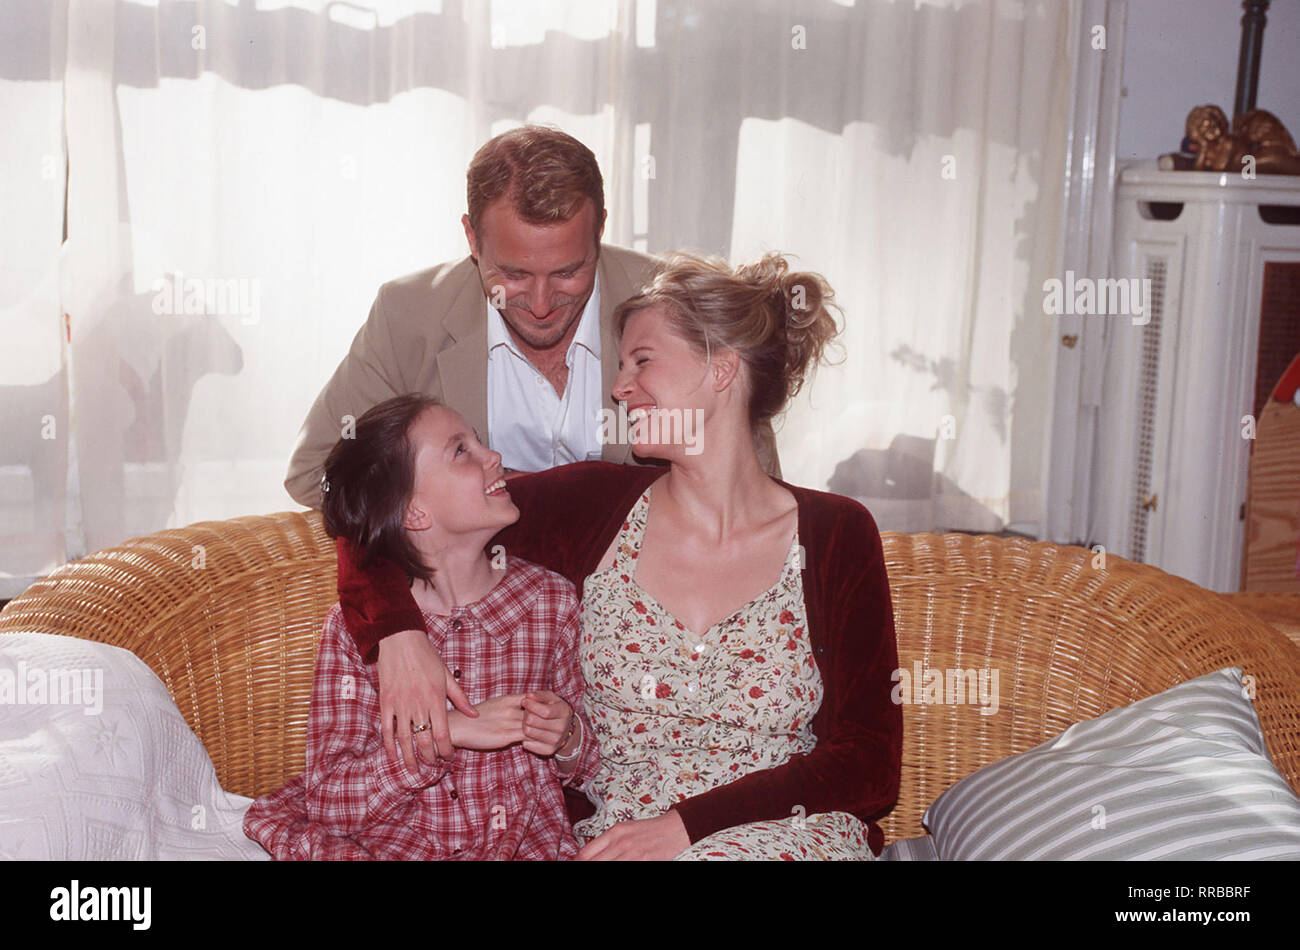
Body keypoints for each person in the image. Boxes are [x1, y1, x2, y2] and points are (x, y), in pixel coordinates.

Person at [335, 252, 902, 859]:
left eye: (643, 361)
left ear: (721, 367)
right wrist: (397, 637)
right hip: (613, 841)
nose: (618, 386)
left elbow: (868, 764)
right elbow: (374, 523)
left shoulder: (838, 533)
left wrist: (685, 828)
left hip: (790, 838)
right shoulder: (588, 506)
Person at [284, 125, 781, 510]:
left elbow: (756, 486)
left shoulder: (673, 303)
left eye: (568, 271)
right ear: (472, 240)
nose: (541, 305)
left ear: (600, 231)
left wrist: (574, 504)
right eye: (513, 274)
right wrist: (472, 496)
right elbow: (316, 474)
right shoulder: (408, 313)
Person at [244, 394, 600, 860]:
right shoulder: (355, 632)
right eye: (460, 451)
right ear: (413, 513)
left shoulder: (549, 601)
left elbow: (595, 764)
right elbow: (330, 803)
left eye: (478, 441)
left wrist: (568, 735)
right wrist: (446, 732)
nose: (493, 456)